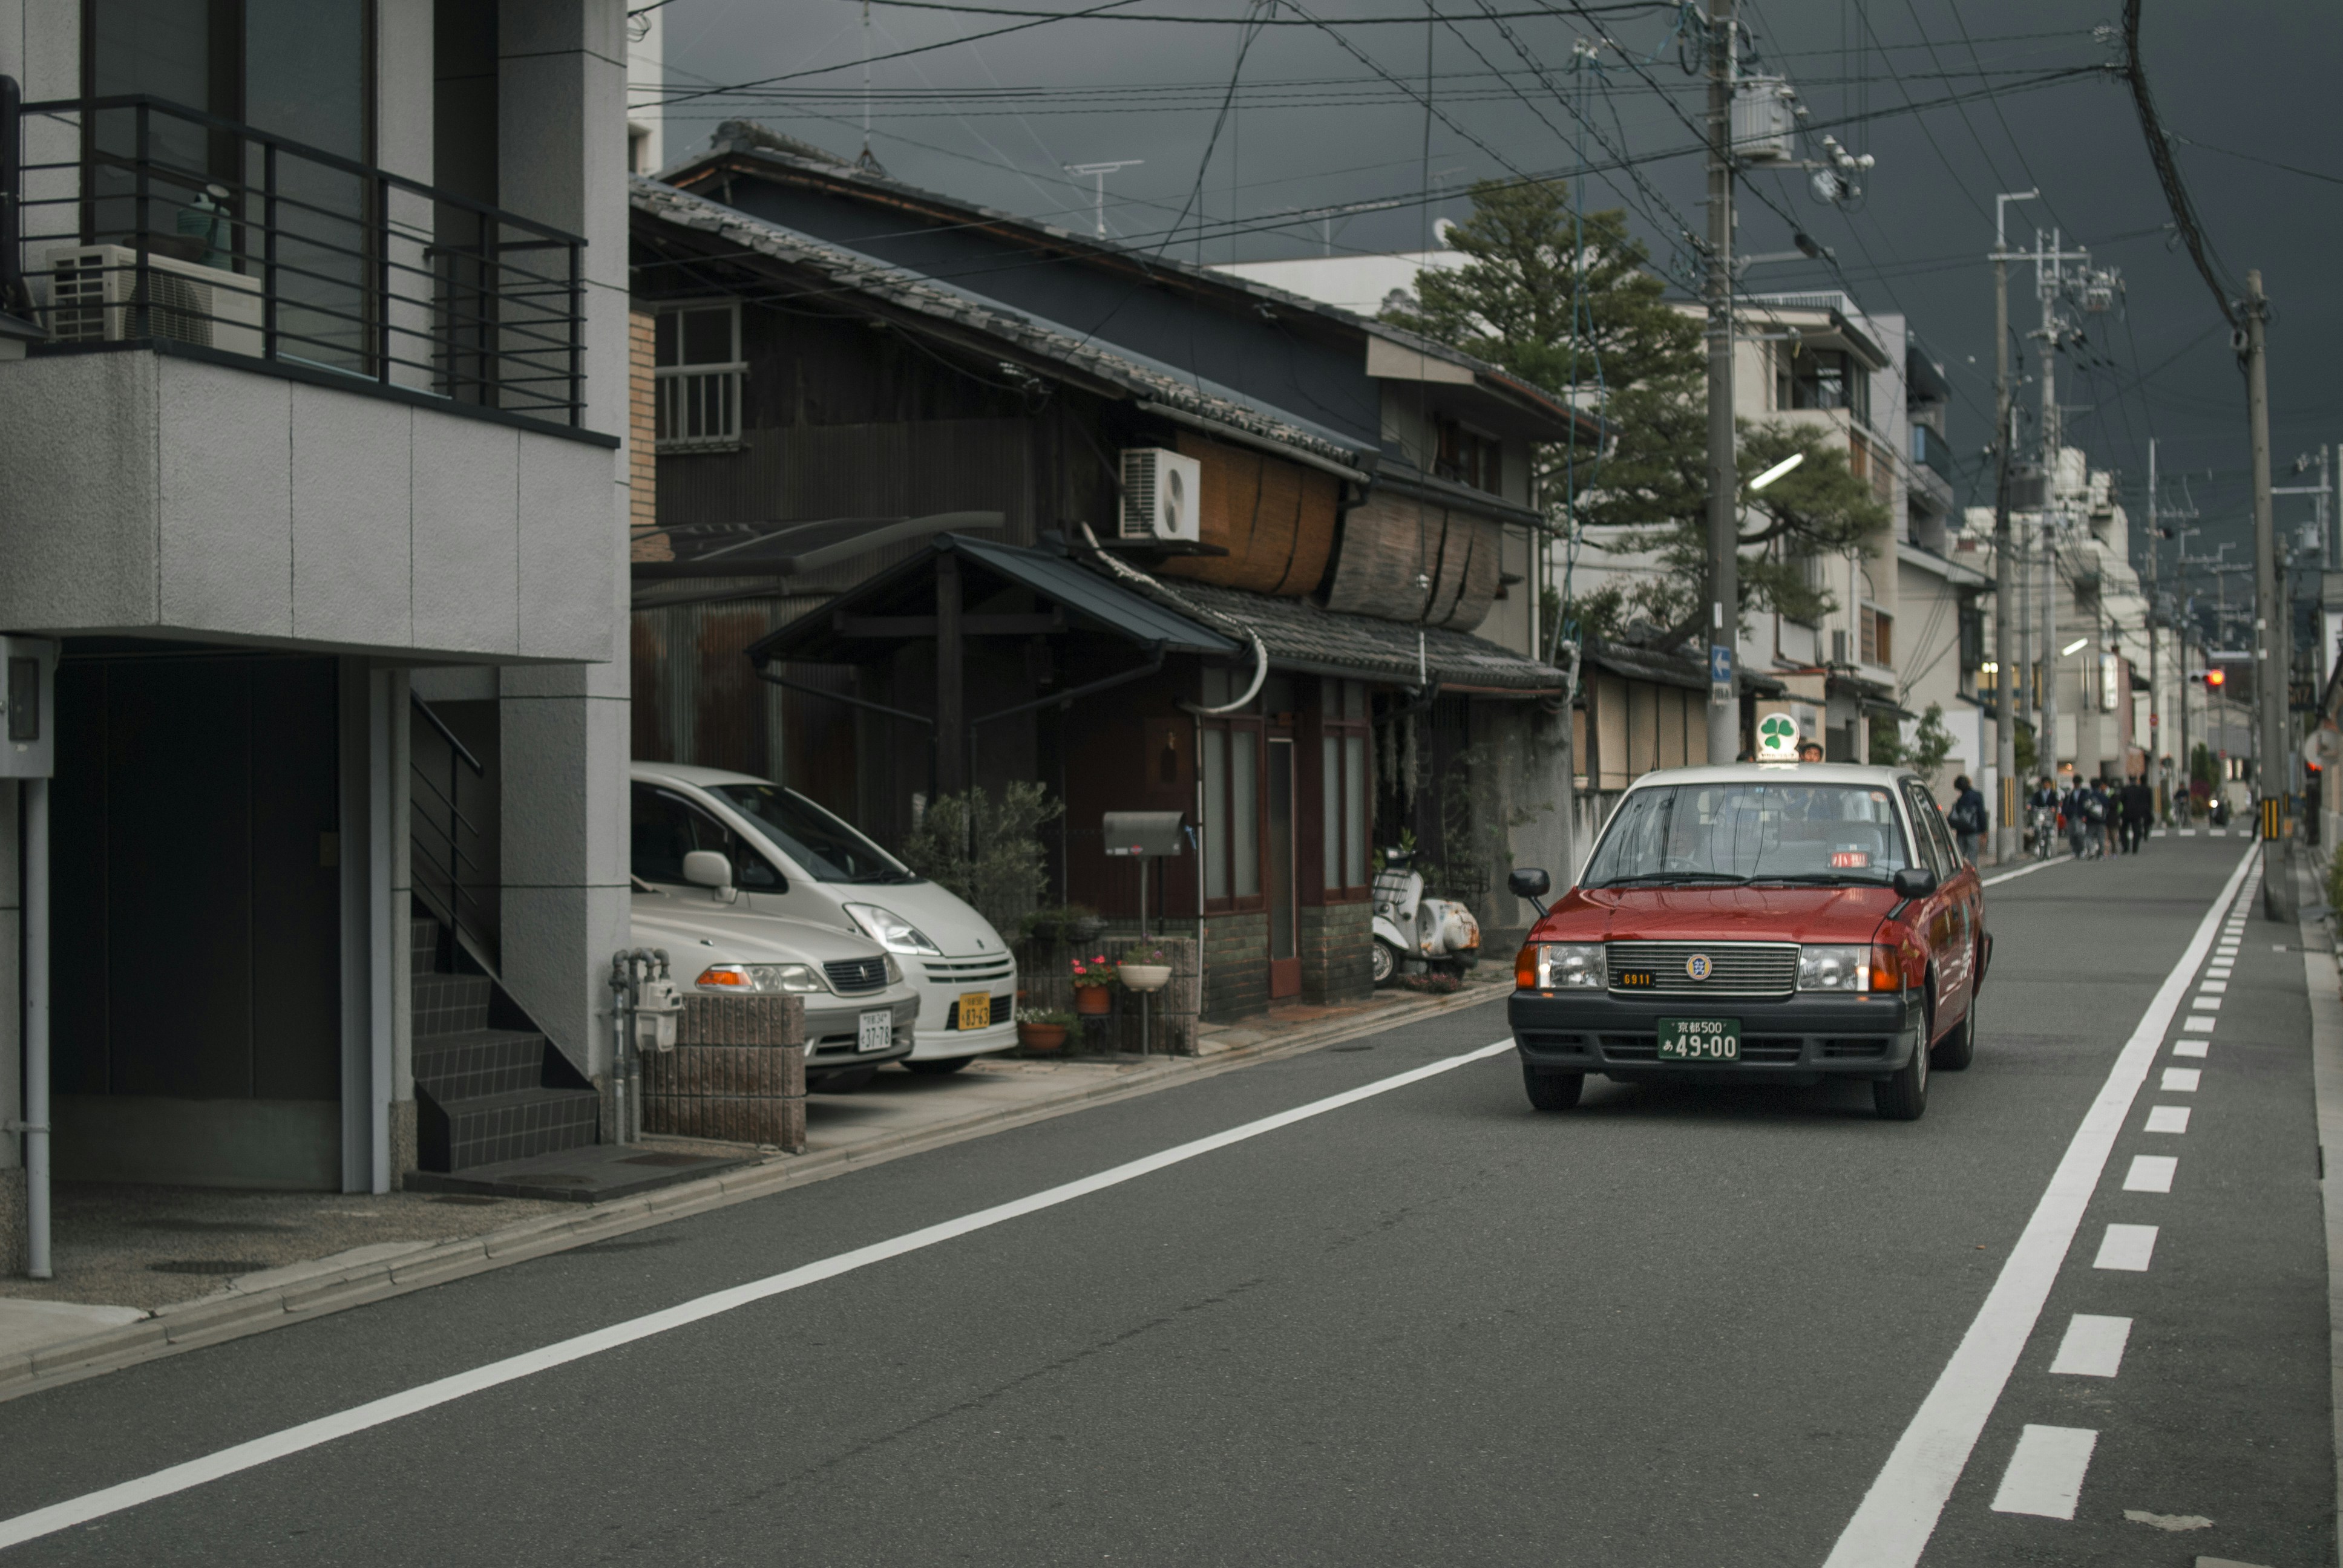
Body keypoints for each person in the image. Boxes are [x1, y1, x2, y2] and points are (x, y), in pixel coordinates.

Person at [1946, 774, 1987, 864]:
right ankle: (1972, 877)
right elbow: (1981, 814)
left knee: (1960, 859)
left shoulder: (1960, 800)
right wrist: (1984, 830)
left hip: (1961, 832)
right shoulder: (1977, 796)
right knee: (1972, 858)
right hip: (1972, 831)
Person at [2122, 775, 2154, 852]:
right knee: (2136, 831)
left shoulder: (2125, 789)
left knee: (2123, 831)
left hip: (2126, 813)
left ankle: (2126, 847)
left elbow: (2121, 800)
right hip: (2137, 814)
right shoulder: (2140, 790)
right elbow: (2144, 802)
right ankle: (2135, 848)